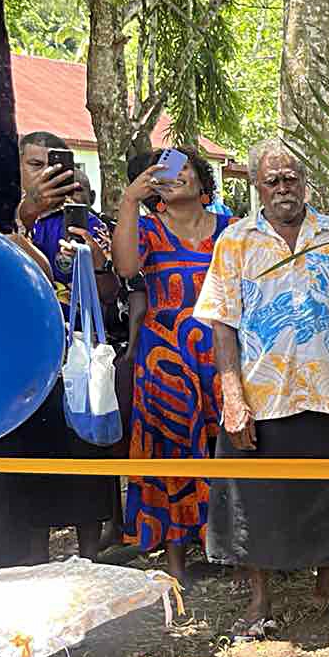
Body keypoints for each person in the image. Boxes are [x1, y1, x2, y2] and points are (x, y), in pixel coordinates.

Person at [194, 139, 329, 639]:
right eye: (272, 181)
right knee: (255, 499)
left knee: (328, 493)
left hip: (327, 393)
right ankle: (259, 601)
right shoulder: (235, 240)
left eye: (290, 177)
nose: (283, 188)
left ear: (304, 179)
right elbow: (222, 323)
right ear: (257, 186)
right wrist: (233, 397)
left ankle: (327, 588)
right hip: (261, 398)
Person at [112, 146, 230, 585]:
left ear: (201, 181)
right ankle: (176, 565)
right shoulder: (147, 229)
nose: (174, 175)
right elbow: (126, 267)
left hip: (222, 355)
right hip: (166, 361)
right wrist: (127, 200)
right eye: (163, 171)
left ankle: (229, 551)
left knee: (227, 451)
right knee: (171, 452)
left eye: (183, 168)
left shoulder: (231, 230)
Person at [10, 131, 118, 563]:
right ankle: (35, 562)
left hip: (76, 353)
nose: (47, 174)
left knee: (83, 448)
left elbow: (111, 295)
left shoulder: (86, 221)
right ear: (18, 168)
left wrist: (99, 263)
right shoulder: (8, 217)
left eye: (55, 165)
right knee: (33, 454)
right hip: (23, 353)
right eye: (36, 165)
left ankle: (88, 559)